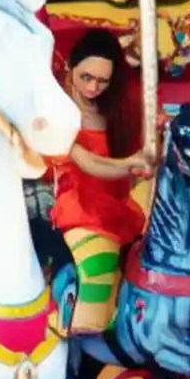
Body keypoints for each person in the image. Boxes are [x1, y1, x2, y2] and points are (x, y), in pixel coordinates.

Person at [50, 28, 153, 335]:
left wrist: (140, 167)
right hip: (77, 207)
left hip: (113, 208)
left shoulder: (116, 116)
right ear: (71, 67)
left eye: (102, 81)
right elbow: (87, 162)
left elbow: (125, 180)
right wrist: (128, 164)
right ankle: (84, 324)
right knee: (98, 259)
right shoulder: (58, 112)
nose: (94, 87)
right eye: (86, 77)